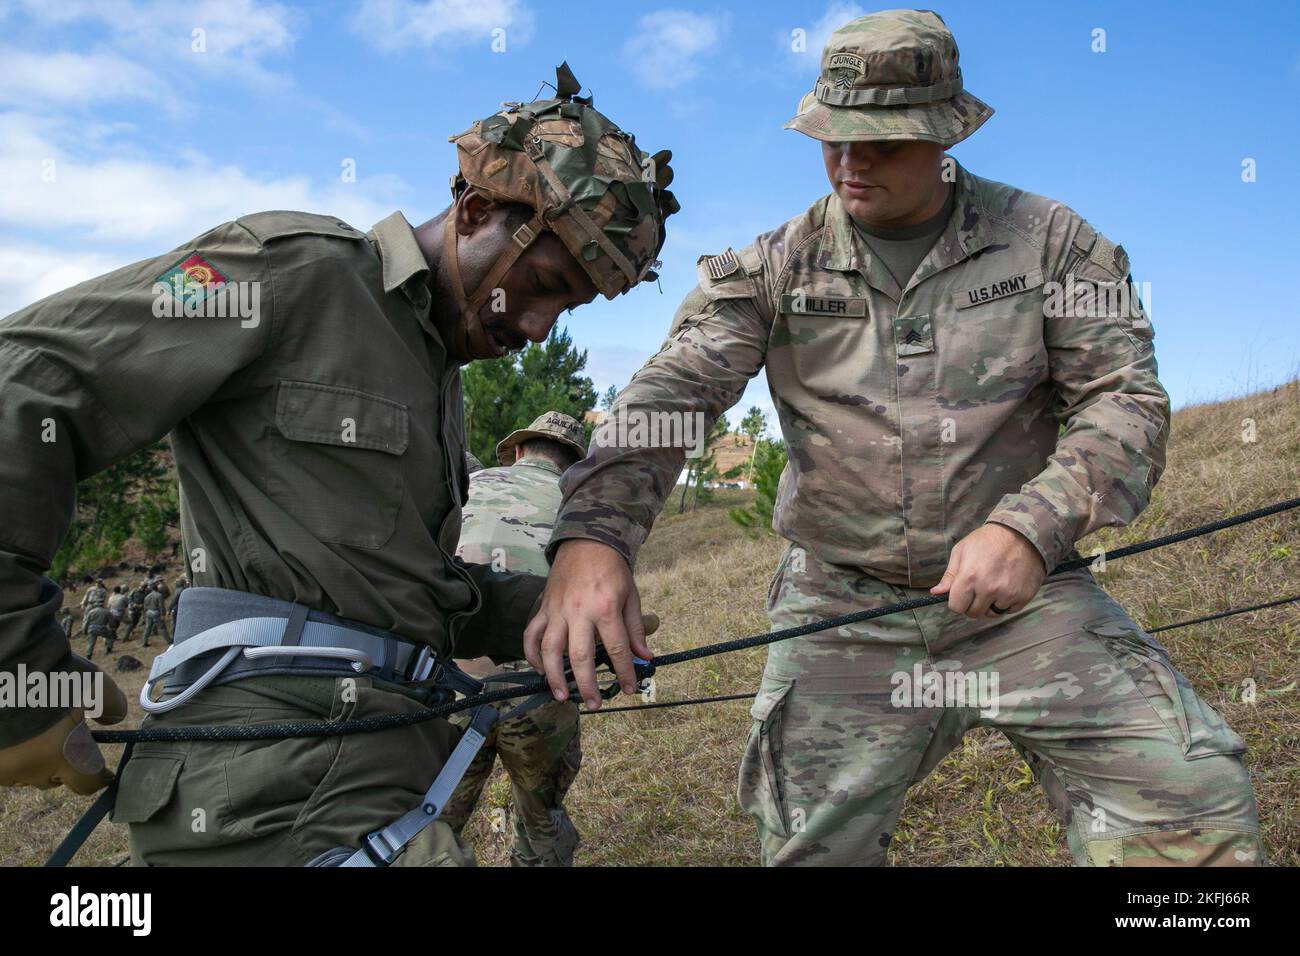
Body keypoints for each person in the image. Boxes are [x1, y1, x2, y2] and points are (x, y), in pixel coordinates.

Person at [524, 11, 1261, 867]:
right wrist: (593, 536)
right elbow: (672, 397)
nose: (848, 162)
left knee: (1190, 800)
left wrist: (1032, 524)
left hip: (1027, 599)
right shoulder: (773, 266)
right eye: (831, 138)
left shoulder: (1054, 245)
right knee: (810, 849)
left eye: (879, 141)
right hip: (841, 604)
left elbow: (1123, 400)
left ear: (945, 132)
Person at [0, 64, 677, 866]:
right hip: (271, 783)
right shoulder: (291, 273)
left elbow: (390, 595)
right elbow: (28, 379)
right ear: (476, 210)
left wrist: (542, 612)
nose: (537, 325)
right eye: (544, 284)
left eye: (571, 309)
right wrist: (16, 668)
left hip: (380, 771)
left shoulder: (435, 377)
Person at [442, 412, 588, 866]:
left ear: (520, 450)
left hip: (449, 683)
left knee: (431, 821)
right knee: (542, 817)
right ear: (572, 465)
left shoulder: (469, 485)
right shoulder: (584, 507)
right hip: (540, 689)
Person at [140, 582, 171, 648]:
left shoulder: (147, 596)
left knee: (147, 628)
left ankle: (144, 642)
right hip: (156, 612)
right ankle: (169, 641)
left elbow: (145, 607)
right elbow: (161, 606)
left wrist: (145, 615)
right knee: (162, 628)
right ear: (157, 588)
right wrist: (163, 614)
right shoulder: (159, 595)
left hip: (148, 612)